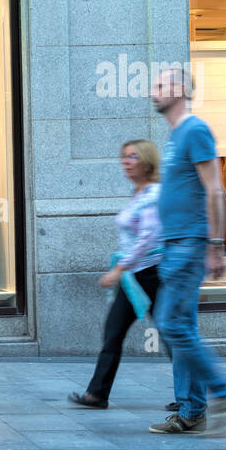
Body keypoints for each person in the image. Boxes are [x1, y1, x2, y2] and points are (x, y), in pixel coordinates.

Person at [148, 68, 226, 434]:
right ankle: (191, 411)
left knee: (170, 322)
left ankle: (224, 388)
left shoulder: (195, 130)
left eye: (159, 86)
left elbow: (215, 191)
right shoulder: (176, 137)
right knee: (179, 326)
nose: (152, 92)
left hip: (190, 245)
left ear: (179, 90)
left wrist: (215, 245)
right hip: (175, 245)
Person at [68, 140, 165, 409]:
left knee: (171, 334)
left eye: (132, 156)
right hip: (134, 276)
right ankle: (97, 394)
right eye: (123, 156)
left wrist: (119, 269)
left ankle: (191, 398)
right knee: (113, 332)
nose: (126, 161)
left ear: (146, 161)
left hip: (152, 274)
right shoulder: (138, 193)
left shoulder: (153, 194)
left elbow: (147, 238)